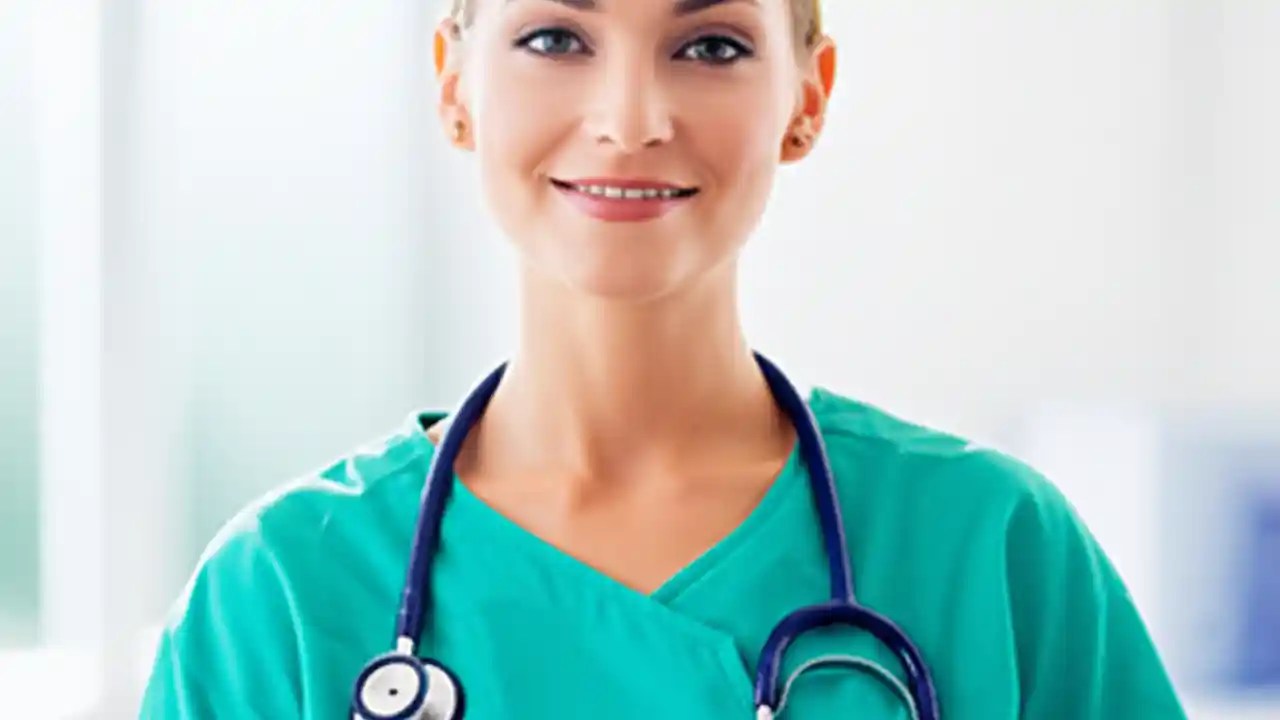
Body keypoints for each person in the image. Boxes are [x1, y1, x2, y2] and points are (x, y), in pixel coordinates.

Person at [139, 0, 1189, 717]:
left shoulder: (990, 552)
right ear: (453, 81)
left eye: (711, 46)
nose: (629, 120)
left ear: (807, 97)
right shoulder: (281, 591)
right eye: (555, 37)